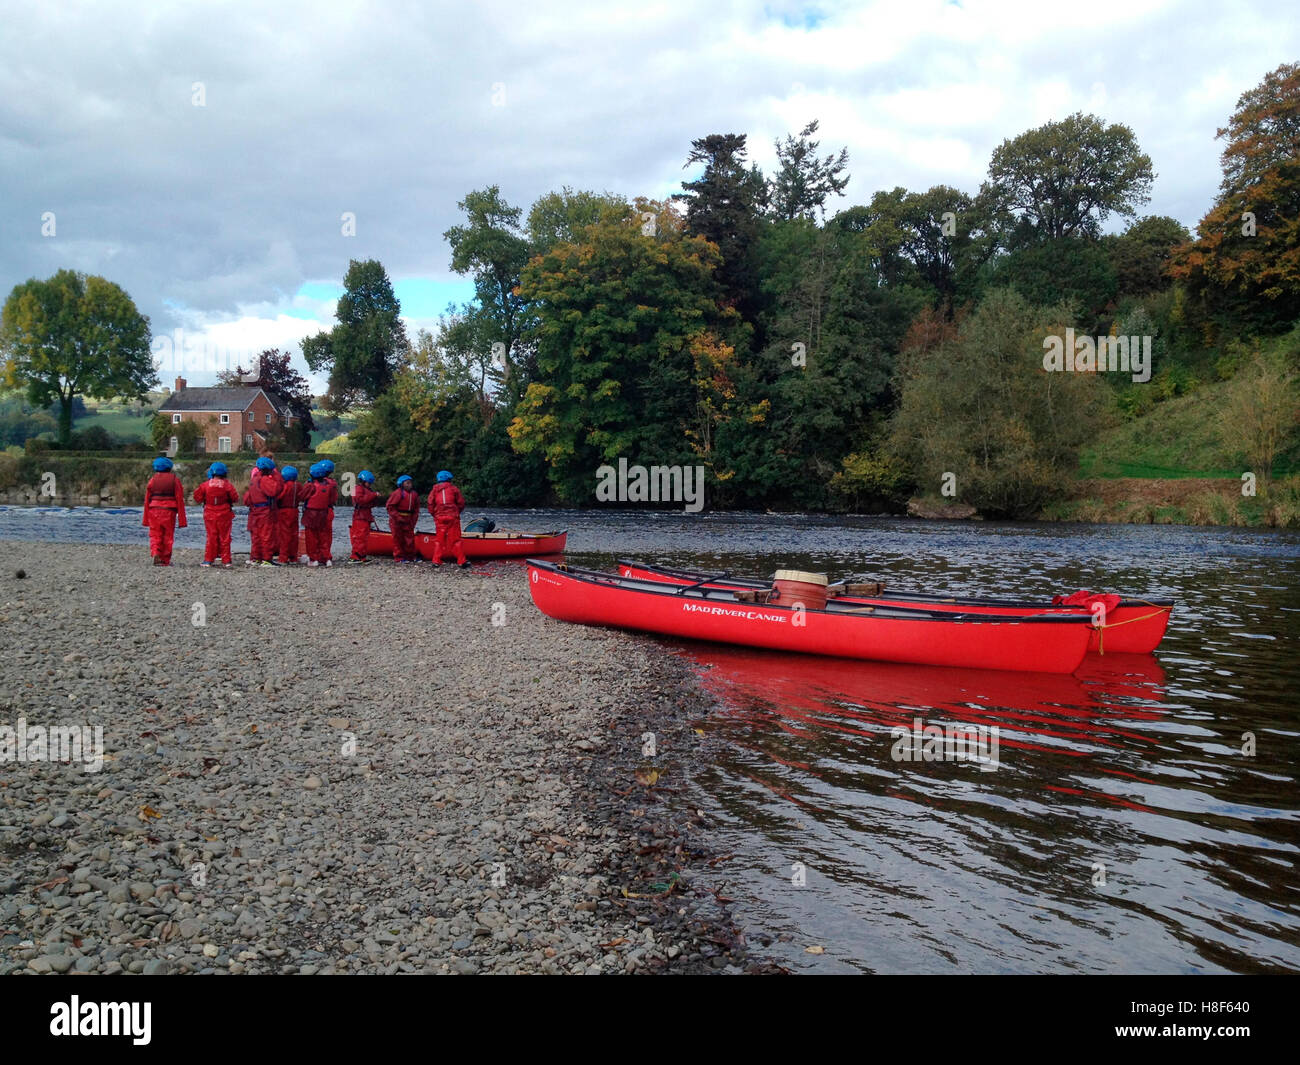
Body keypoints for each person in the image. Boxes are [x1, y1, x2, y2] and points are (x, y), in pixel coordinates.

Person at [142, 456, 187, 566]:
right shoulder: (174, 480)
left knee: (155, 534)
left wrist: (145, 519)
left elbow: (147, 499)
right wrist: (182, 520)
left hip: (154, 510)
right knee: (168, 536)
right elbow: (179, 499)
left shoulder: (152, 480)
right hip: (169, 511)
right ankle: (165, 560)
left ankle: (156, 552)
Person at [192, 461, 239, 567]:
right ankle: (226, 560)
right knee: (225, 537)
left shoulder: (205, 485)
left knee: (211, 536)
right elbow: (235, 498)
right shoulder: (227, 485)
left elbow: (197, 497)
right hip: (224, 513)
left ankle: (208, 559)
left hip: (209, 513)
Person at [427, 469, 469, 568]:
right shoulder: (454, 489)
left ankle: (436, 561)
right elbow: (461, 503)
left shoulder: (434, 490)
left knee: (439, 540)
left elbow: (430, 503)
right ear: (449, 479)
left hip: (439, 517)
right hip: (452, 517)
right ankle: (461, 561)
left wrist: (435, 515)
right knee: (456, 540)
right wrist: (456, 513)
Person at [243, 456, 280, 566]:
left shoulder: (254, 480)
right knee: (266, 535)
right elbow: (274, 491)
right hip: (265, 510)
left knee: (256, 535)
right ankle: (267, 559)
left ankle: (256, 557)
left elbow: (247, 499)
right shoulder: (264, 480)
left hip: (255, 511)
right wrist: (276, 477)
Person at [301, 462, 336, 567]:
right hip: (324, 513)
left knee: (311, 537)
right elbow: (332, 499)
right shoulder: (330, 485)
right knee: (323, 537)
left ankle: (313, 559)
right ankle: (326, 558)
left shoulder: (310, 486)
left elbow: (302, 496)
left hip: (311, 514)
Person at [275, 465, 307, 565]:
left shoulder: (285, 486)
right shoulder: (298, 485)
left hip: (284, 511)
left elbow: (279, 497)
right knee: (294, 534)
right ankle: (293, 557)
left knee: (284, 535)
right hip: (295, 511)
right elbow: (302, 496)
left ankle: (283, 558)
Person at [348, 470, 383, 564]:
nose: (369, 484)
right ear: (363, 481)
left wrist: (375, 498)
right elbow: (361, 500)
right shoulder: (357, 489)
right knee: (359, 537)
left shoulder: (367, 490)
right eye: (368, 482)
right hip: (360, 516)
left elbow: (370, 503)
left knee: (364, 537)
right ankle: (355, 557)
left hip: (366, 516)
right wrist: (374, 495)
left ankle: (362, 556)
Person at [385, 475, 419, 563]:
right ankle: (399, 557)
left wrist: (413, 521)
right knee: (398, 539)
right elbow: (390, 507)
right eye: (407, 483)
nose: (410, 485)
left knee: (410, 539)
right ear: (402, 484)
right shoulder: (397, 493)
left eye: (410, 483)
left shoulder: (414, 495)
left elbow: (416, 510)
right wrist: (398, 518)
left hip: (408, 519)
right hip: (397, 521)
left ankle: (410, 557)